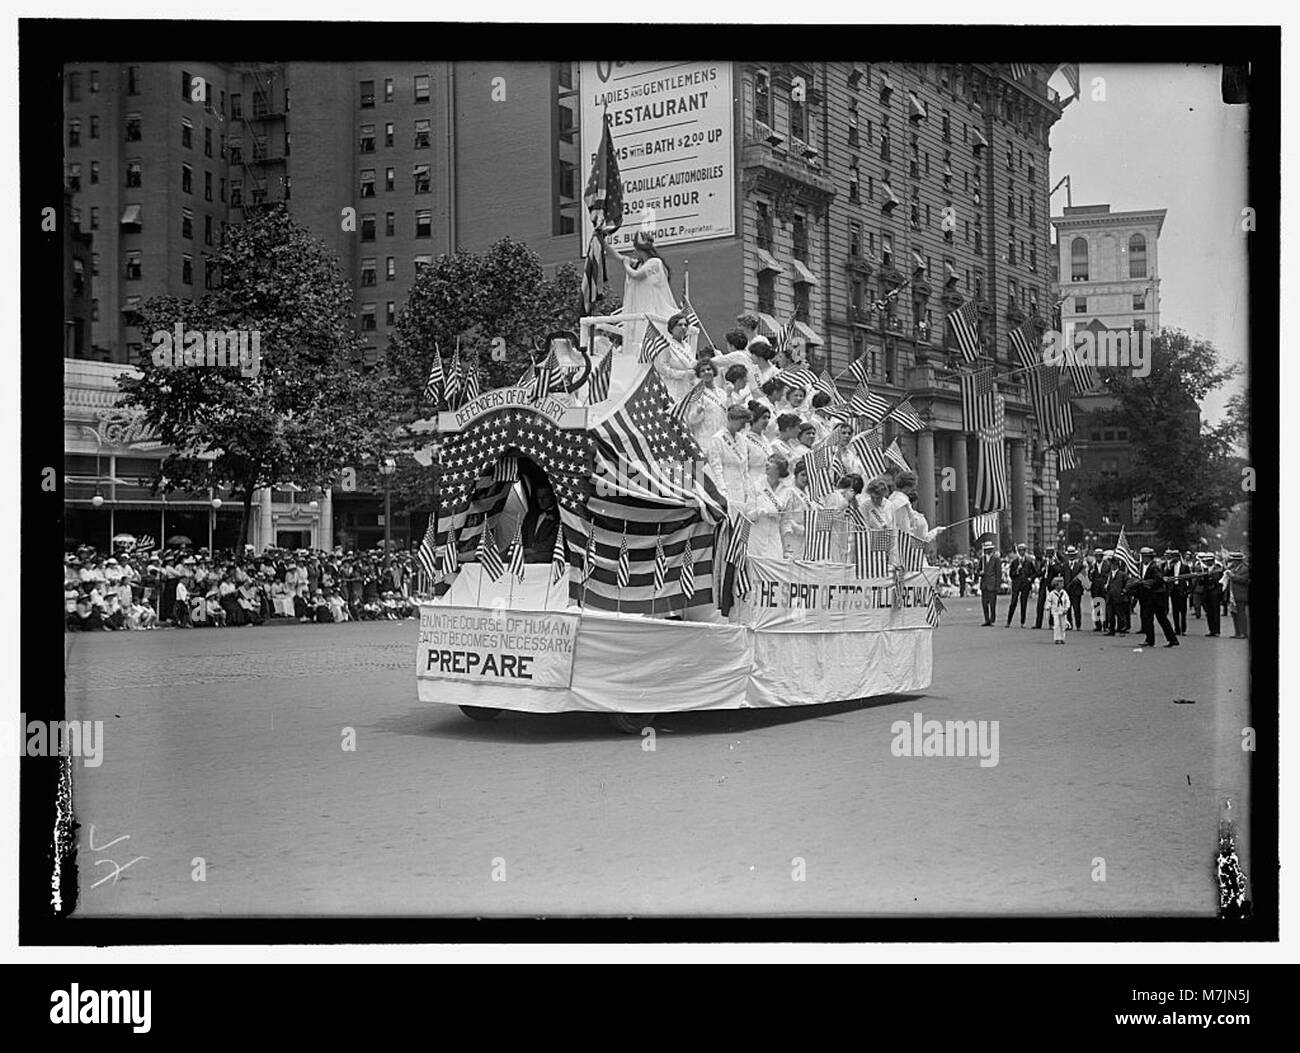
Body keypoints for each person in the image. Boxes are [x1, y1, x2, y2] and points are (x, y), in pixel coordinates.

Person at [617, 231, 678, 351]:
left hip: (652, 307)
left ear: (638, 250)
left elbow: (636, 275)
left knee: (651, 334)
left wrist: (626, 265)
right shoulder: (640, 264)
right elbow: (618, 257)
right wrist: (601, 242)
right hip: (641, 307)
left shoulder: (654, 262)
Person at [707, 404, 755, 514]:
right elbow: (716, 469)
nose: (743, 427)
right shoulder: (717, 439)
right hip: (727, 488)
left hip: (741, 489)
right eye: (741, 423)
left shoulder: (742, 440)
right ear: (730, 419)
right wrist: (722, 492)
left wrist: (748, 491)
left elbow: (745, 469)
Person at [1130, 546, 1178, 647]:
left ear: (1149, 557)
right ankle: (1150, 639)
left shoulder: (1154, 567)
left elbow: (1158, 580)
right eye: (1142, 556)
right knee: (1148, 619)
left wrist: (1146, 583)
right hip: (1146, 597)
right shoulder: (1142, 566)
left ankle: (1171, 639)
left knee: (1161, 619)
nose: (1142, 558)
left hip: (1156, 597)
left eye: (1144, 556)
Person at [749, 455, 792, 560]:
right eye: (767, 460)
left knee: (775, 568)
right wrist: (759, 512)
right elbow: (748, 514)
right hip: (757, 534)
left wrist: (787, 549)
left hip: (774, 536)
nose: (767, 463)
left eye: (772, 462)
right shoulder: (756, 485)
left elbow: (785, 522)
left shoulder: (787, 491)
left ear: (779, 469)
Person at [655, 310, 700, 403]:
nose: (683, 327)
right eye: (679, 325)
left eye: (685, 325)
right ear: (671, 328)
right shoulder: (666, 344)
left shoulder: (687, 346)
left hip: (687, 386)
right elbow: (662, 368)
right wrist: (682, 374)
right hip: (672, 388)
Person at [685, 359, 728, 450]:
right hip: (705, 440)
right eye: (702, 371)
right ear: (699, 375)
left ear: (713, 371)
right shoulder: (697, 394)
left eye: (709, 369)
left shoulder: (723, 393)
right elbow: (691, 420)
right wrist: (698, 412)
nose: (706, 372)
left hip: (721, 440)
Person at [782, 461, 813, 559]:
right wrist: (797, 528)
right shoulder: (790, 492)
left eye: (808, 476)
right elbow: (785, 517)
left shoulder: (809, 493)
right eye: (803, 475)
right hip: (792, 536)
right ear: (796, 474)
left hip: (806, 538)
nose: (806, 479)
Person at [1003, 542, 1036, 627]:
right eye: (1020, 550)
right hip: (1016, 584)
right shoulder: (1015, 562)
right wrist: (1016, 571)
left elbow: (1034, 572)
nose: (1022, 552)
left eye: (1023, 550)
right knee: (1013, 602)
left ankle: (1022, 622)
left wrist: (1030, 578)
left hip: (1025, 584)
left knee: (1023, 603)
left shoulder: (1029, 562)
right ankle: (1008, 621)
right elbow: (1011, 574)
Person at [1103, 553, 1130, 636]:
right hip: (1110, 597)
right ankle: (1111, 630)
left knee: (1120, 615)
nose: (1112, 566)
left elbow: (1127, 583)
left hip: (1119, 597)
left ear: (1117, 565)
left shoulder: (1122, 574)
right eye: (1111, 564)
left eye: (1114, 564)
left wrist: (1124, 591)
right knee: (1111, 615)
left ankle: (1121, 630)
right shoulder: (1109, 574)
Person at [1167, 549, 1192, 636]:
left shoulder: (1185, 566)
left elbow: (1189, 579)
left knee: (1183, 611)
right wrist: (1169, 567)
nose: (1174, 558)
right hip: (1174, 589)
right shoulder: (1171, 566)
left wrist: (1188, 590)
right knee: (1175, 611)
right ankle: (1176, 629)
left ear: (1178, 557)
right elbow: (1167, 576)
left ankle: (1183, 629)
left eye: (1175, 557)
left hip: (1182, 590)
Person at [976, 541, 1001, 626]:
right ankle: (986, 619)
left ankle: (992, 619)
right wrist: (980, 573)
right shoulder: (982, 559)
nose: (988, 551)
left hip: (992, 584)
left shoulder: (996, 559)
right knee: (984, 604)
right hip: (984, 584)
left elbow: (998, 573)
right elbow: (977, 571)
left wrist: (998, 585)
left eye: (989, 549)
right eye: (986, 549)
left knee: (992, 604)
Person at [1061, 546, 1086, 631]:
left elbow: (1082, 577)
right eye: (1069, 555)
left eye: (1072, 555)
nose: (1071, 556)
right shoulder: (1064, 566)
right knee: (1067, 609)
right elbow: (1062, 577)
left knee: (1077, 609)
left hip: (1076, 590)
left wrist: (1074, 582)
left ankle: (1078, 625)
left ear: (1075, 556)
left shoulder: (1080, 566)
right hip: (1067, 590)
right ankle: (1069, 624)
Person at [1227, 554, 1250, 639]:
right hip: (1233, 595)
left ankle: (1243, 633)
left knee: (1241, 614)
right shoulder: (1233, 568)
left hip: (1241, 595)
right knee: (1234, 614)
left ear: (1238, 561)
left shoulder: (1245, 569)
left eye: (1233, 560)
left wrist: (1233, 576)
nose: (1232, 562)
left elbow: (1245, 580)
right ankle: (1237, 632)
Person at [1089, 549, 1108, 631]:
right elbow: (1090, 577)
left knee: (1106, 607)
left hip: (1104, 588)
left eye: (1100, 556)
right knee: (1097, 608)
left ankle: (1106, 625)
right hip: (1095, 589)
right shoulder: (1093, 566)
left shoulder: (1107, 565)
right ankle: (1098, 625)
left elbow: (1109, 576)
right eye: (1097, 556)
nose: (1098, 558)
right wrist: (1091, 572)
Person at [1046, 576, 1070, 644]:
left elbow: (1067, 601)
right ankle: (1057, 638)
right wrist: (1048, 606)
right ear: (1056, 585)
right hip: (1055, 610)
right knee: (1056, 625)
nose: (1062, 585)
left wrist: (1066, 608)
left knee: (1063, 625)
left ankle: (1062, 638)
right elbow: (1048, 600)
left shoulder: (1064, 593)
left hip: (1062, 610)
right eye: (1061, 583)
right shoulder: (1052, 593)